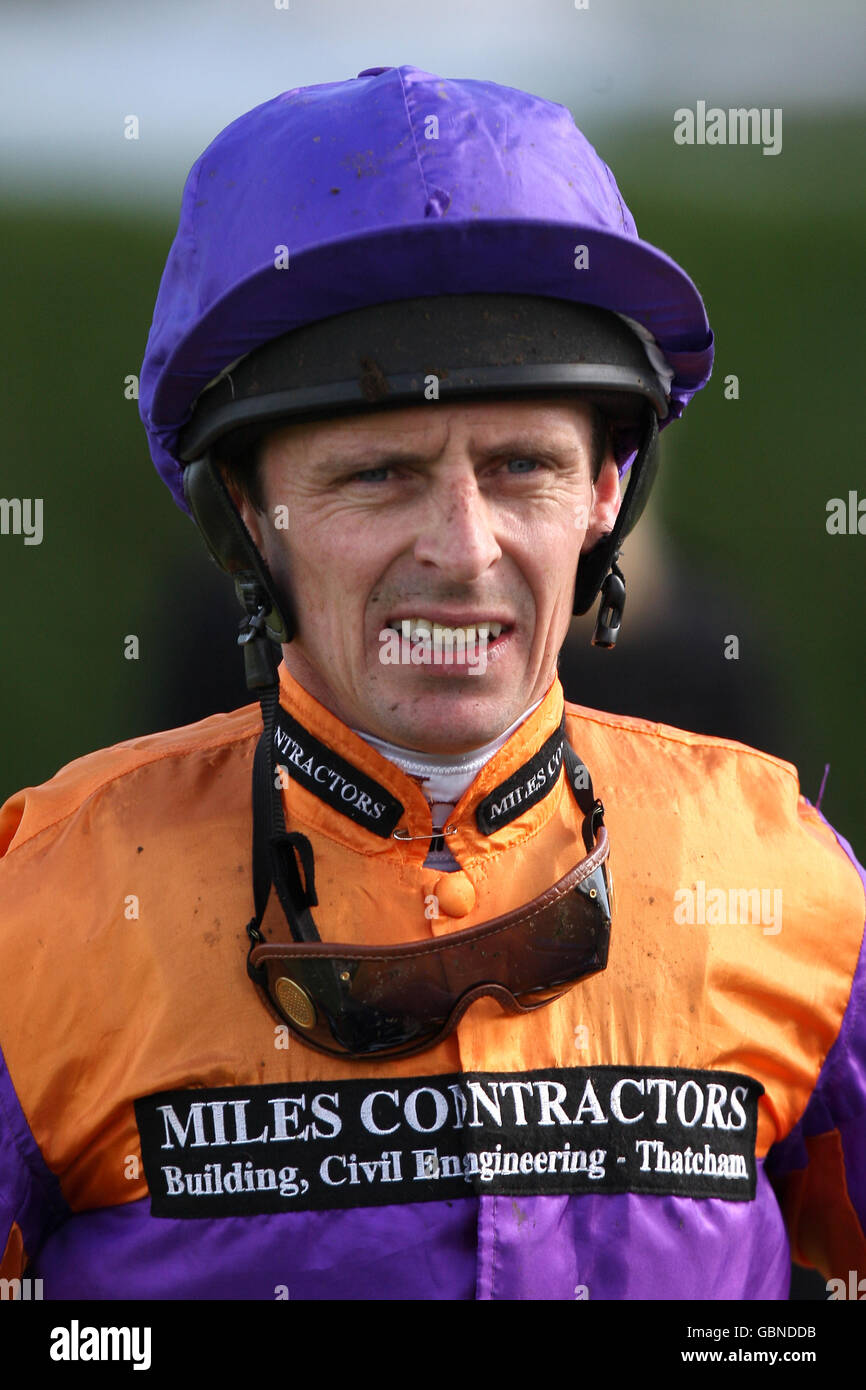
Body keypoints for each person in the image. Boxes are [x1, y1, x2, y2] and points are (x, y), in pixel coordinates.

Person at [0, 65, 863, 1303]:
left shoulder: (797, 889)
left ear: (606, 495)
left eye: (521, 466)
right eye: (377, 476)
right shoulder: (35, 918)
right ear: (248, 513)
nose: (463, 549)